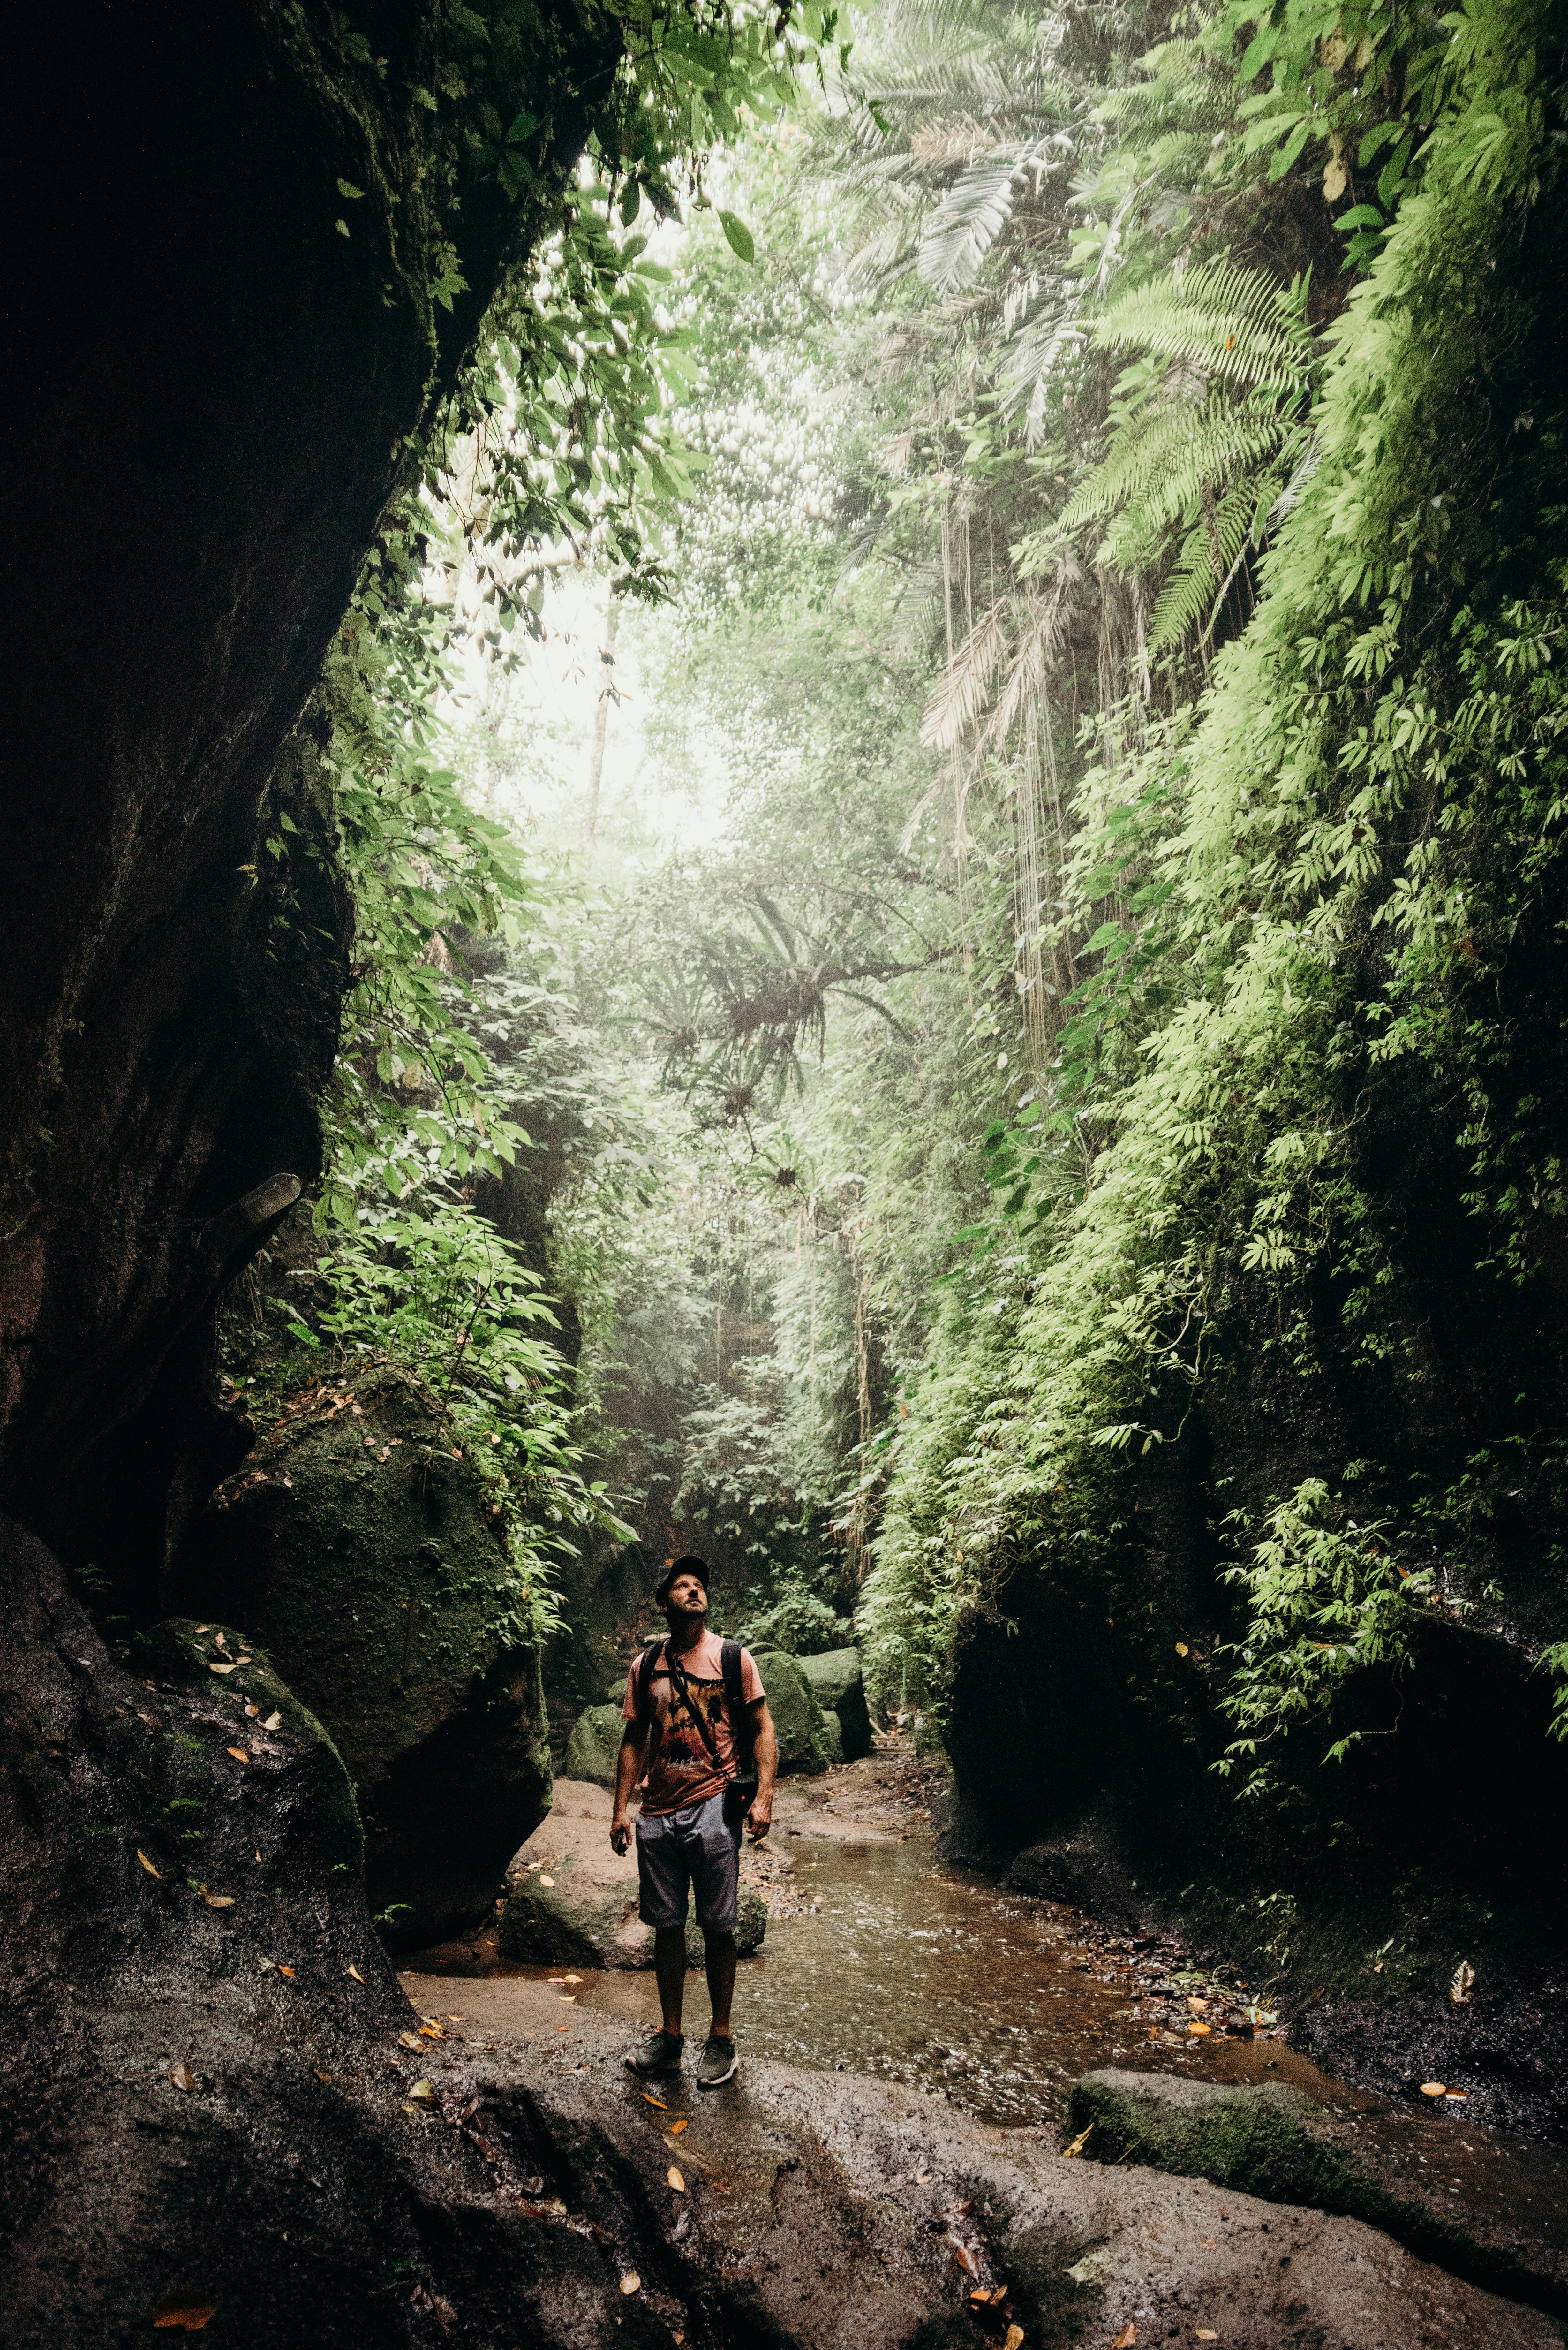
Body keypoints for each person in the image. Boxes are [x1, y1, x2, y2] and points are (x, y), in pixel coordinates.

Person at [610, 1555, 777, 2086]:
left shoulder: (732, 1658)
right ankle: (671, 2036)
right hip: (658, 1810)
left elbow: (762, 1729)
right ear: (665, 1602)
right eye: (682, 1586)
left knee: (719, 1925)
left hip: (713, 1806)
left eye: (699, 1585)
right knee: (666, 1927)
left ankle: (722, 2038)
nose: (693, 1591)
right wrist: (620, 1809)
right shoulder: (645, 1667)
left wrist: (765, 1797)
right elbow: (634, 1739)